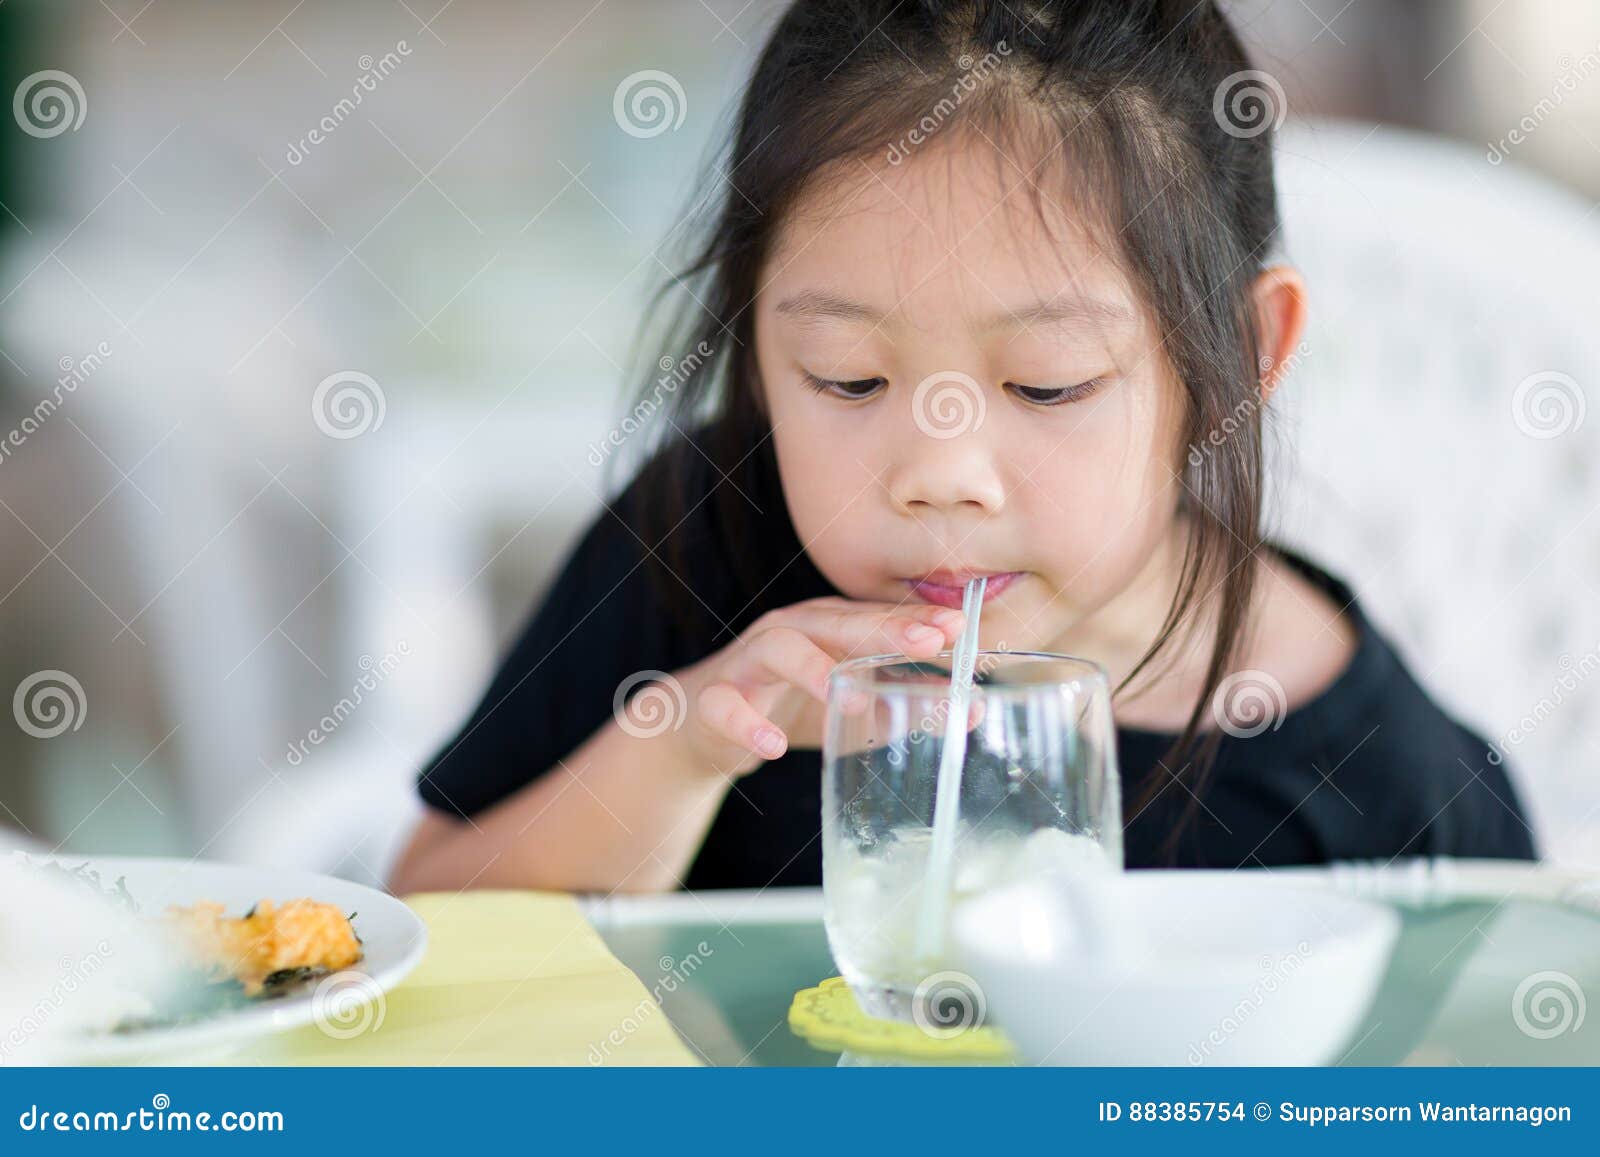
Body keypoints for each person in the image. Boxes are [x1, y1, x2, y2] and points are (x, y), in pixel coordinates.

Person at [390, 0, 1536, 896]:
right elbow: (426, 916)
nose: (938, 471)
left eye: (1047, 383)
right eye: (846, 376)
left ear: (1236, 358)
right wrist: (684, 746)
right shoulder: (699, 540)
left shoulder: (1394, 794)